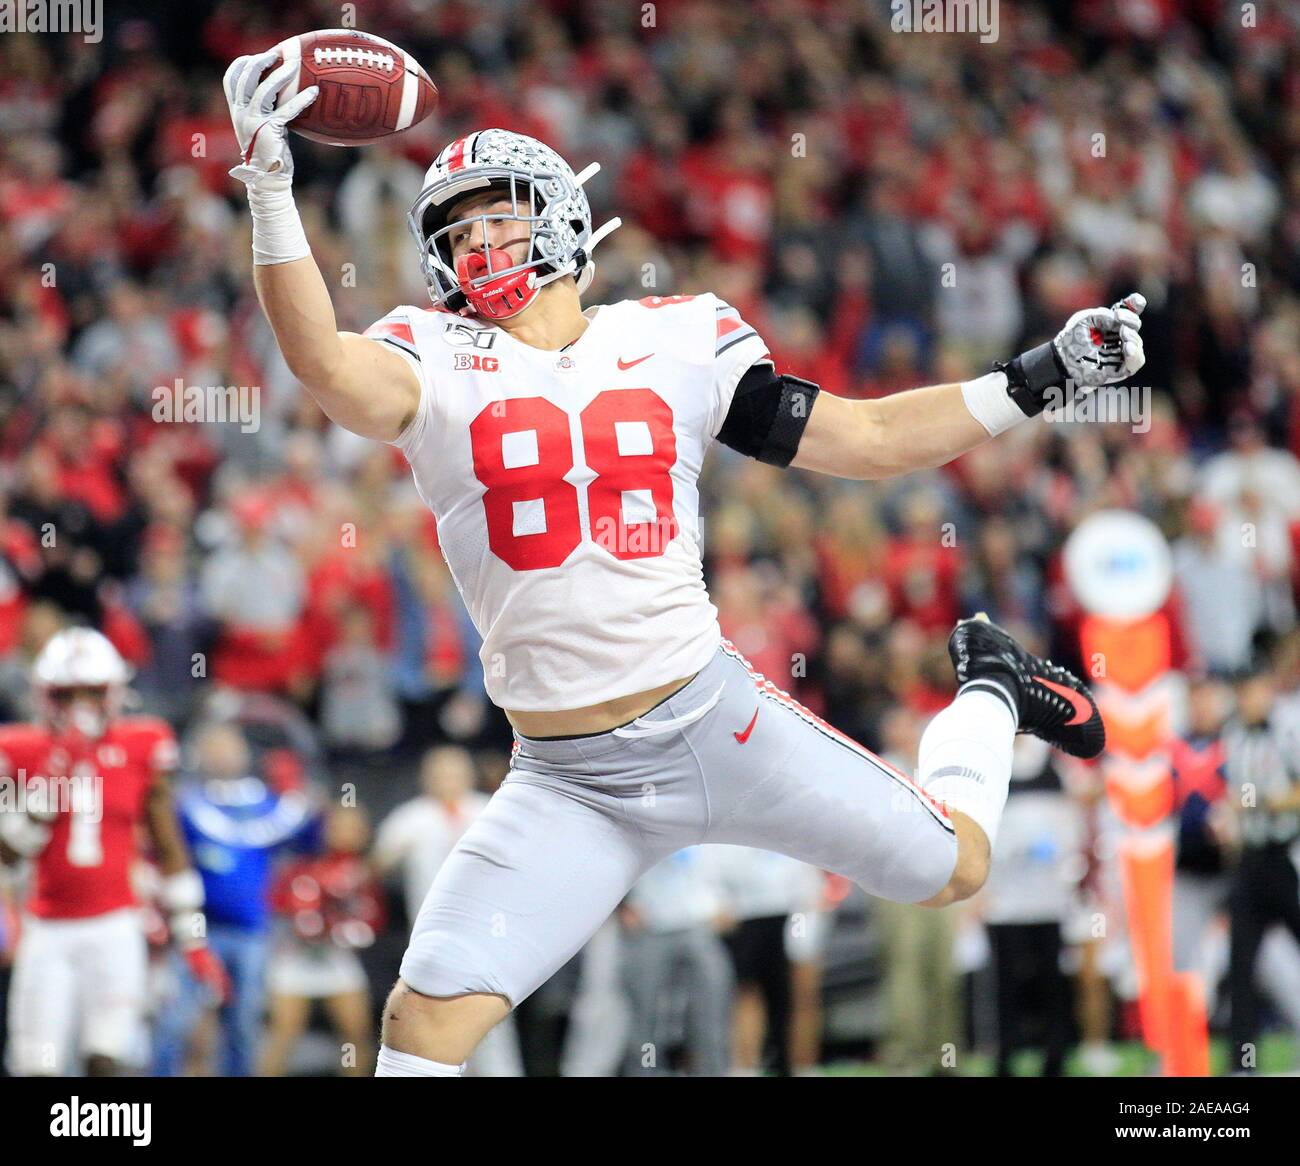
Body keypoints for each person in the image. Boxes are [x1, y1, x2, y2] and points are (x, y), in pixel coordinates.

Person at [221, 54, 1143, 1077]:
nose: (479, 240)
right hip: (566, 777)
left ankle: (992, 688)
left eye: (500, 214)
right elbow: (324, 363)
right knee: (422, 1023)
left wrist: (1044, 372)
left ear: (563, 217)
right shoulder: (428, 354)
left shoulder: (676, 336)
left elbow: (871, 438)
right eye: (458, 226)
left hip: (716, 724)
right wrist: (270, 194)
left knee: (956, 866)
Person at [0, 628, 227, 1075]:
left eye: (93, 692)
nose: (81, 706)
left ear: (115, 693)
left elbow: (169, 847)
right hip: (46, 928)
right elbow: (8, 853)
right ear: (46, 696)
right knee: (35, 1065)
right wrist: (56, 771)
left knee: (108, 1058)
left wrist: (193, 938)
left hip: (116, 925)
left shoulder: (143, 743)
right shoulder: (20, 749)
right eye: (68, 694)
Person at [261, 805, 386, 1077]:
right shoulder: (302, 868)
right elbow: (285, 908)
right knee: (284, 1032)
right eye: (337, 827)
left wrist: (343, 925)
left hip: (336, 958)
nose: (345, 834)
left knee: (356, 1033)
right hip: (296, 957)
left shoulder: (363, 874)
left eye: (353, 828)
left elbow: (371, 920)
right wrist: (322, 918)